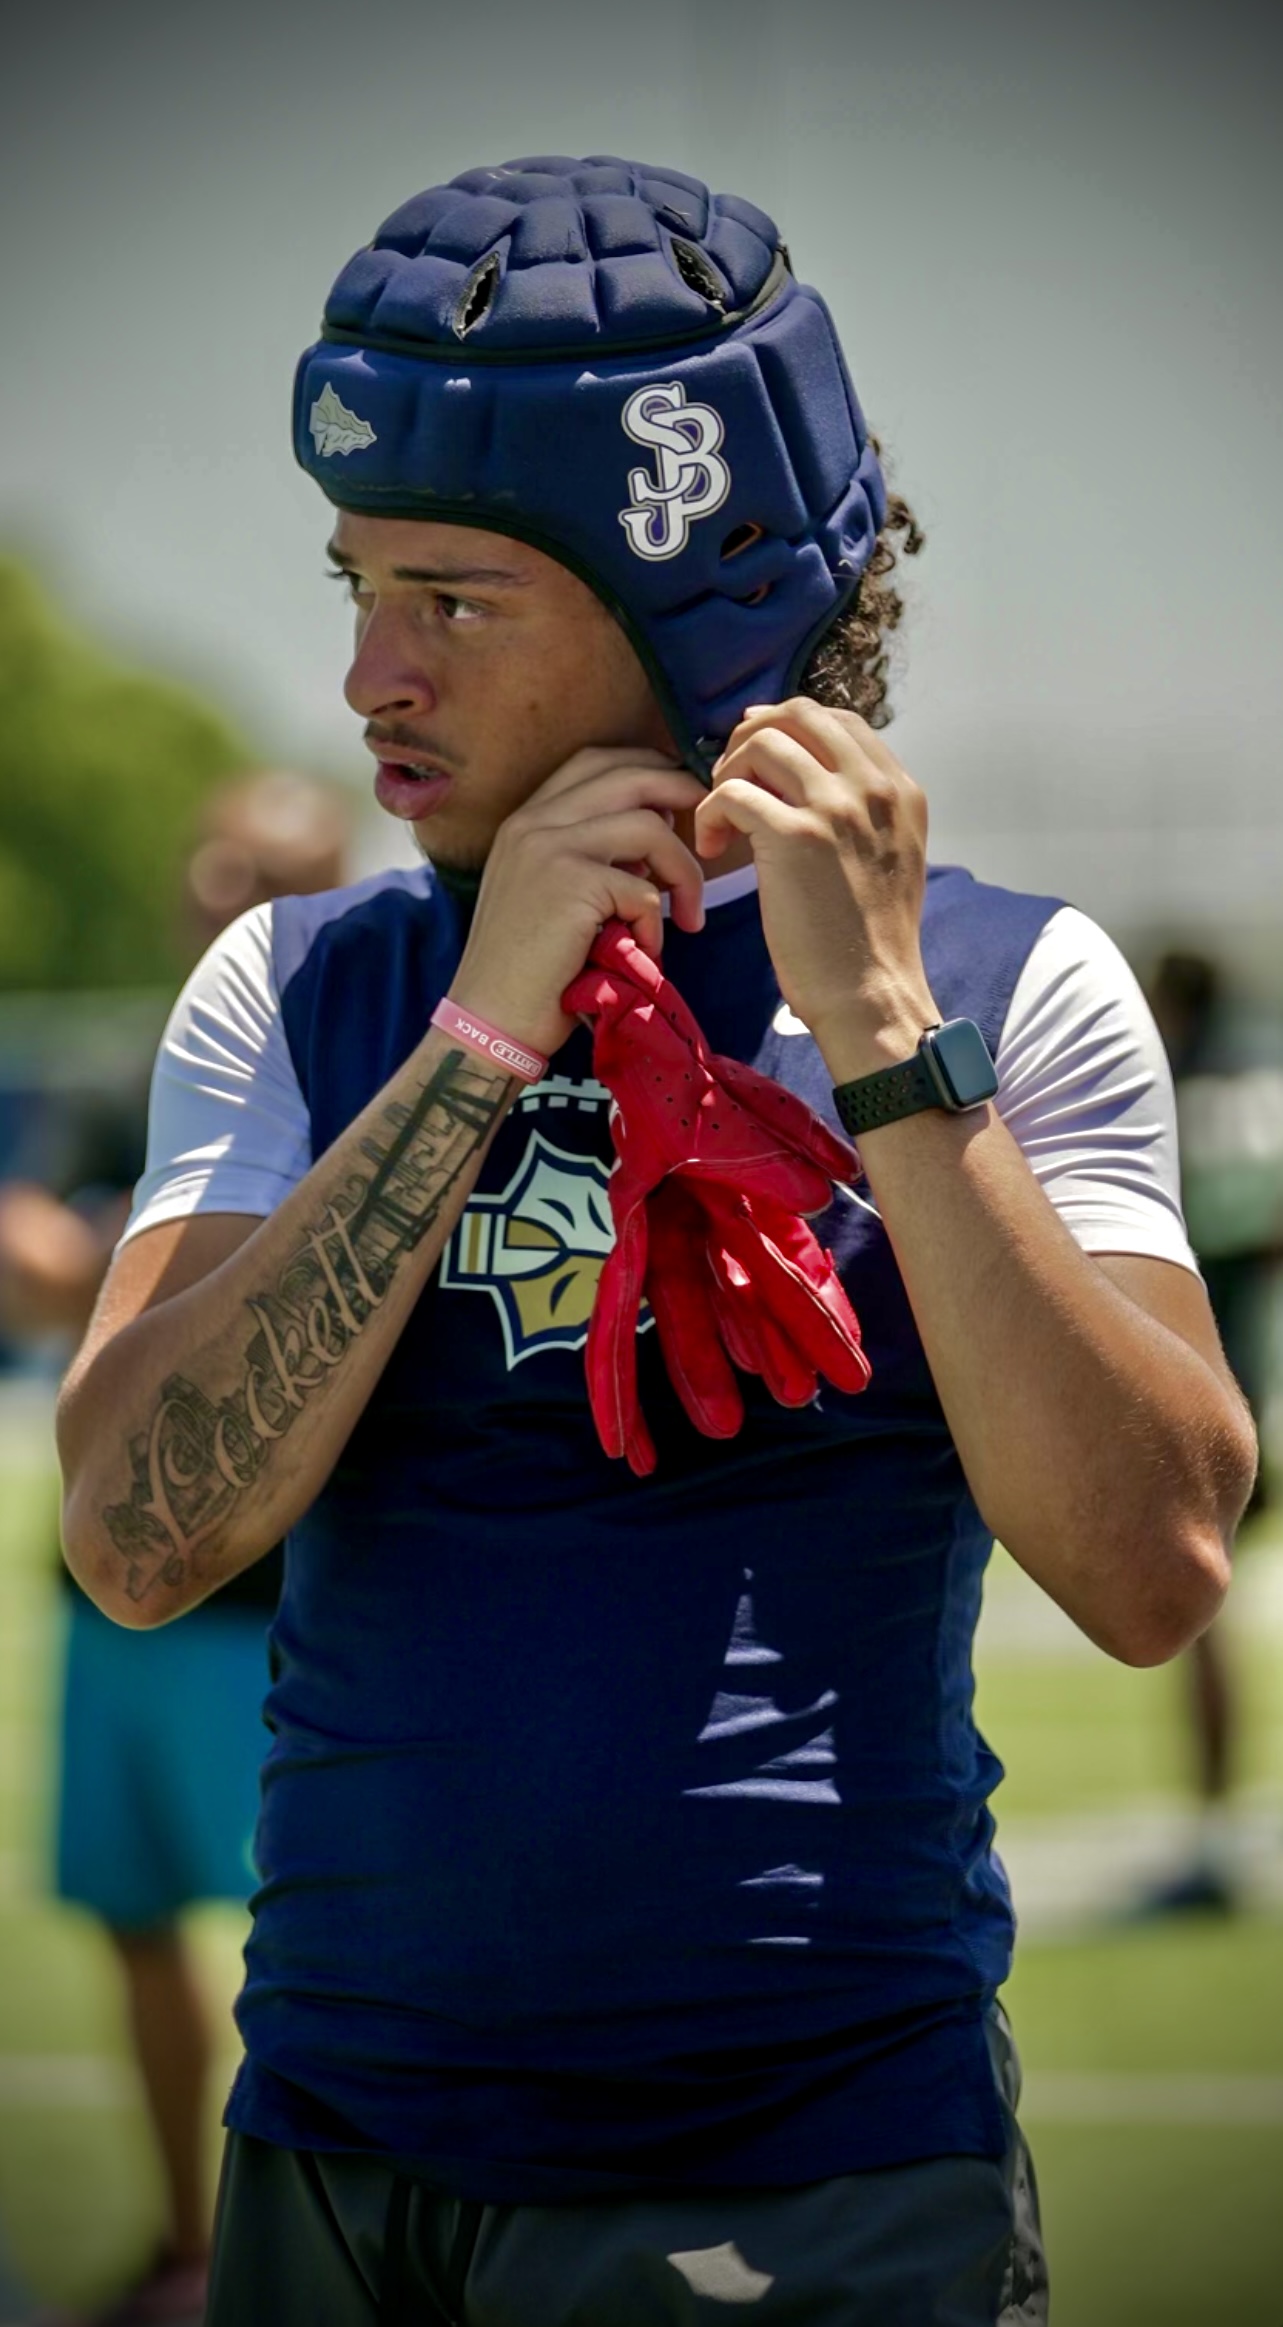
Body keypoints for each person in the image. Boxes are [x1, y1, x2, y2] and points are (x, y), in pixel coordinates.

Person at [54, 156, 1254, 2326]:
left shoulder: (1010, 982)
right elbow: (139, 1533)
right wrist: (473, 1038)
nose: (359, 675)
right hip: (334, 2155)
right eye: (351, 584)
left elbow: (1148, 1566)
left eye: (450, 599)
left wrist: (884, 1039)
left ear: (684, 587)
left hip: (810, 2176)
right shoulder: (303, 990)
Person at [0, 775, 348, 2327]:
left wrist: (137, 1289)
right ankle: (186, 2246)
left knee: (326, 1942)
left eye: (256, 870)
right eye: (208, 864)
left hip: (281, 1605)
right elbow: (47, 1271)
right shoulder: (138, 1063)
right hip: (107, 1596)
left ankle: (334, 2255)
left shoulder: (370, 1051)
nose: (215, 889)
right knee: (132, 1921)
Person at [1128, 949, 1283, 1915]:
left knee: (1194, 1622)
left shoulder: (1176, 1092)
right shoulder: (1257, 1089)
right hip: (1258, 1383)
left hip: (1206, 1392)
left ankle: (1213, 1843)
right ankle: (1214, 1838)